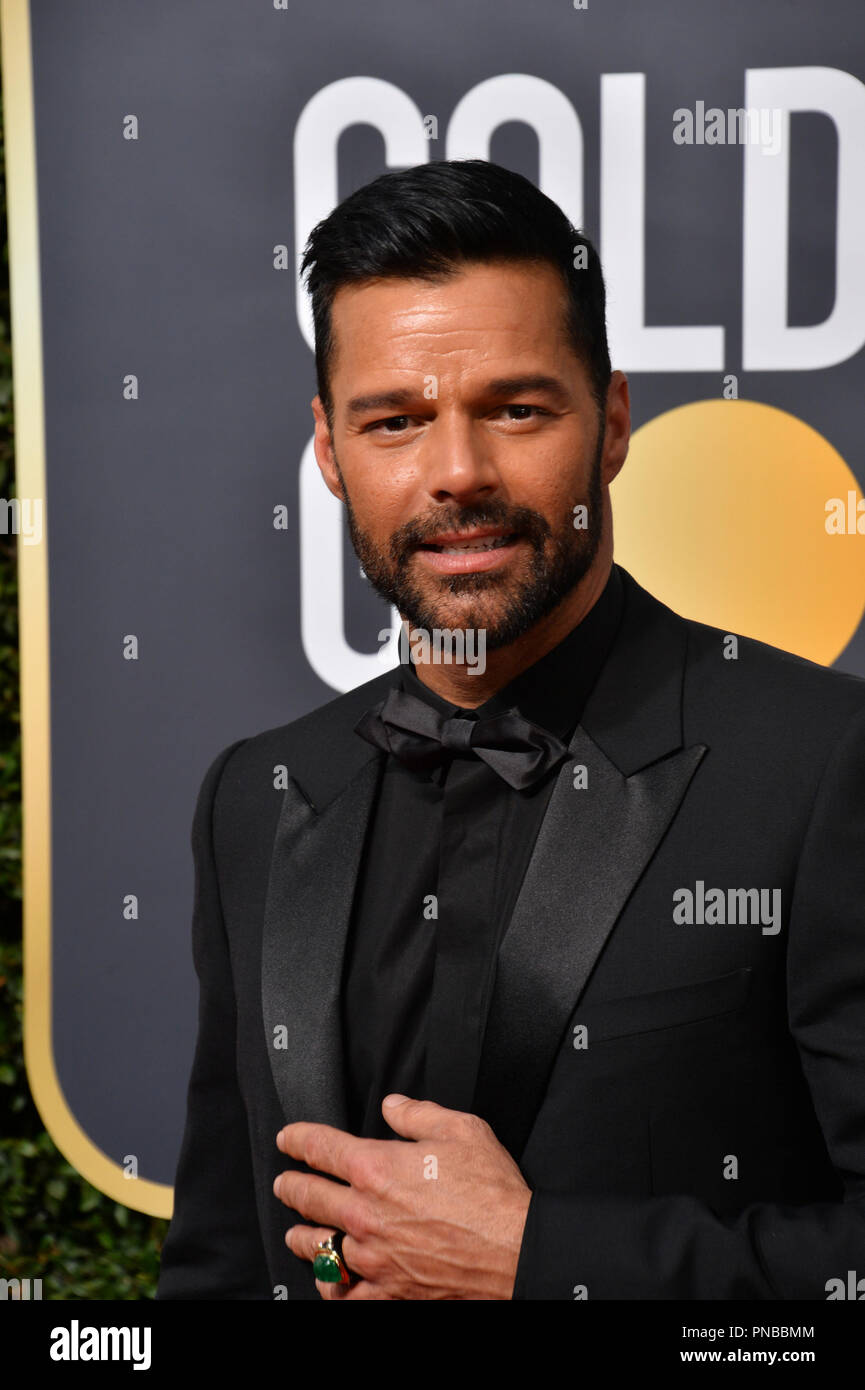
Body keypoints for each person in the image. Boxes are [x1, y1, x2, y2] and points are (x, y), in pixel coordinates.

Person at [157, 159, 865, 1301]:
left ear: (615, 421)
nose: (456, 473)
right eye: (394, 421)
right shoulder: (256, 794)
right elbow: (226, 1260)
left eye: (515, 408)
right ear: (331, 454)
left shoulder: (823, 766)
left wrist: (543, 1267)